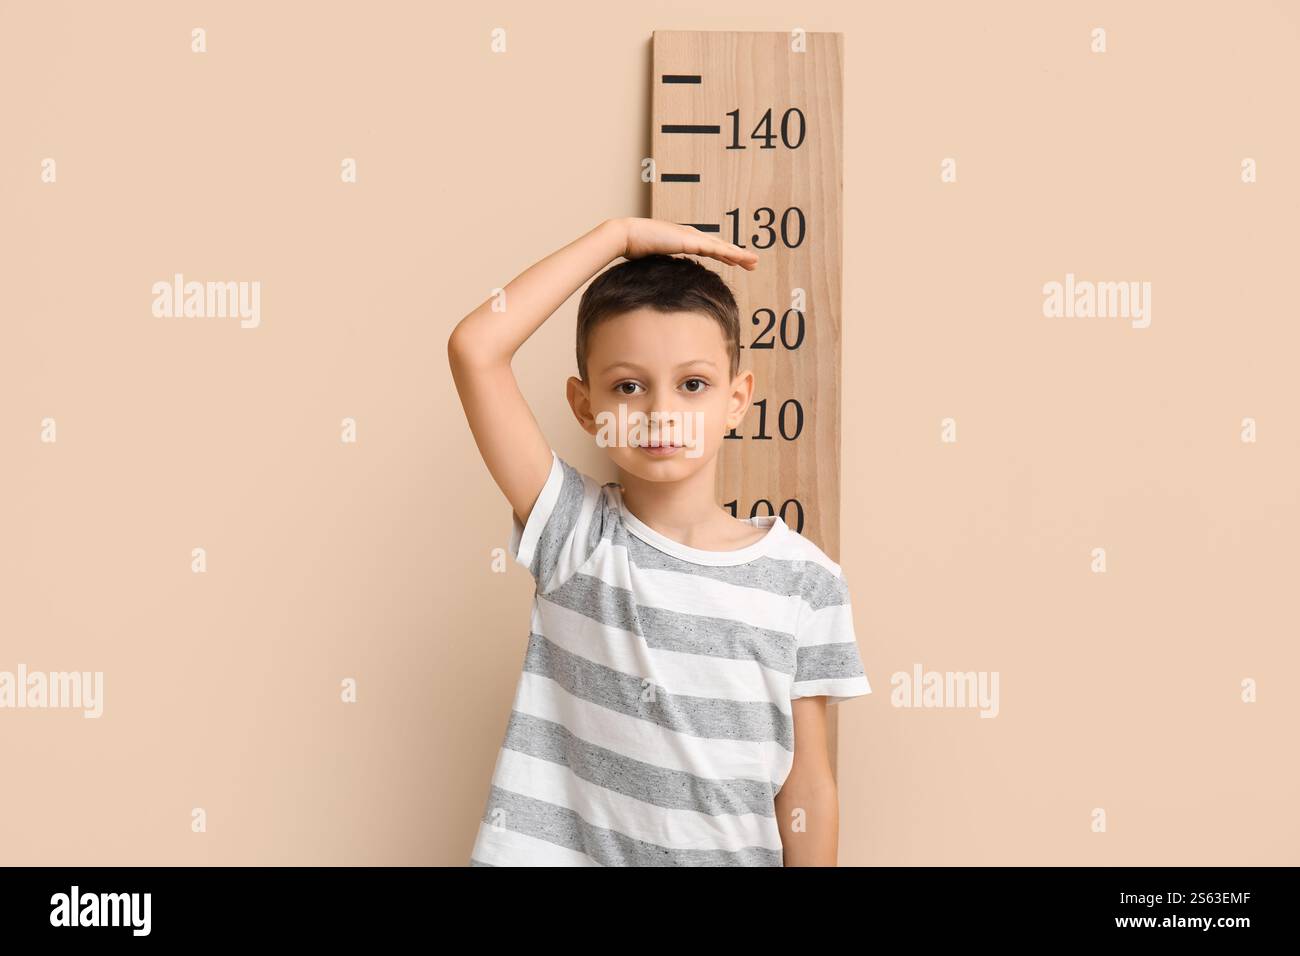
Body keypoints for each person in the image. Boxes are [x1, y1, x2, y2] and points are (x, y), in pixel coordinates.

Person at [448, 217, 871, 866]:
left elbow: (807, 784)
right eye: (628, 386)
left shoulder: (806, 582)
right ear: (586, 408)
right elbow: (476, 347)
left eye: (693, 385)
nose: (661, 412)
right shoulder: (574, 534)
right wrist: (615, 238)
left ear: (738, 400)